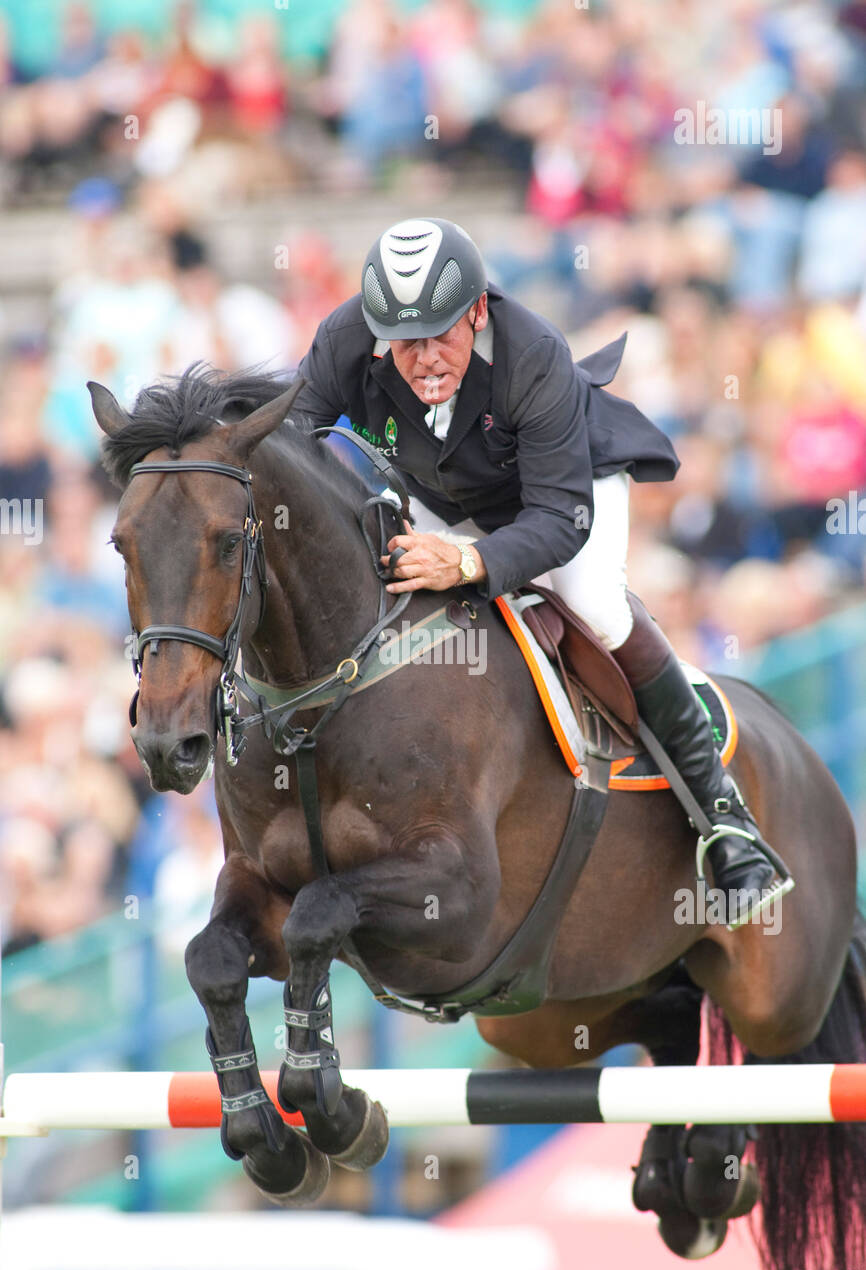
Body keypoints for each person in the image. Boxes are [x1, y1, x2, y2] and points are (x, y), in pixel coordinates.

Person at [296, 217, 791, 926]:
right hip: (448, 498)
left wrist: (468, 560)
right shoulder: (346, 337)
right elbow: (294, 438)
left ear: (477, 311)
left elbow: (561, 520)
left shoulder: (533, 355)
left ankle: (721, 811)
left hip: (568, 490)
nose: (427, 358)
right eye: (407, 344)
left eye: (443, 334)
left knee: (593, 602)